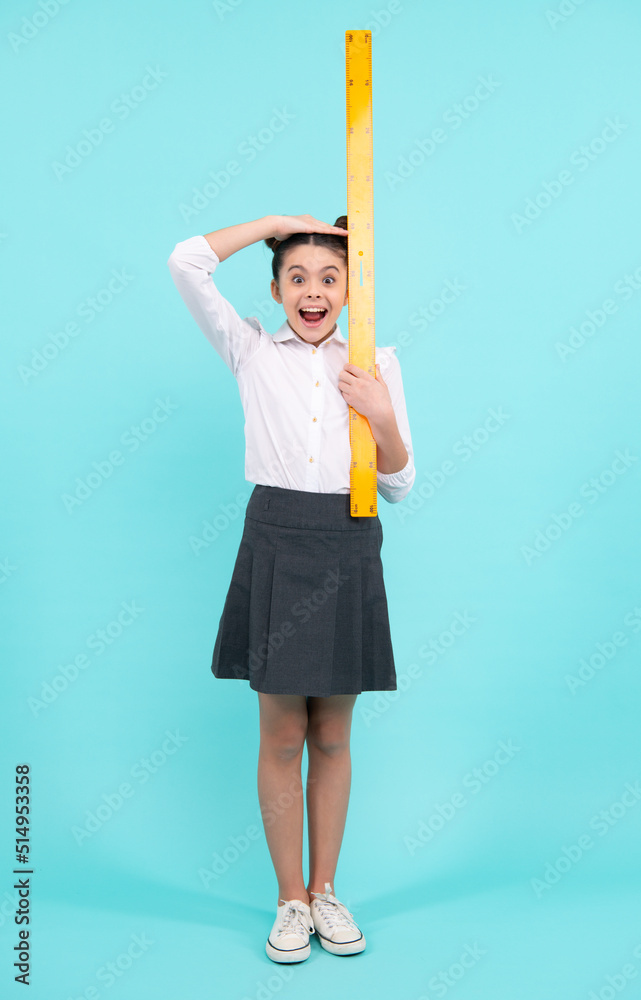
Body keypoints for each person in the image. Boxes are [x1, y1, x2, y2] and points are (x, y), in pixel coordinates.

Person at [167, 214, 416, 963]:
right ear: (276, 290)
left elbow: (400, 483)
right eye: (297, 277)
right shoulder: (249, 349)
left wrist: (380, 417)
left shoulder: (377, 363)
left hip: (348, 537)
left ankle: (326, 892)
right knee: (281, 735)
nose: (313, 291)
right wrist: (279, 225)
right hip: (276, 535)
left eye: (329, 278)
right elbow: (185, 262)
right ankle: (289, 901)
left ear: (350, 292)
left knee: (332, 734)